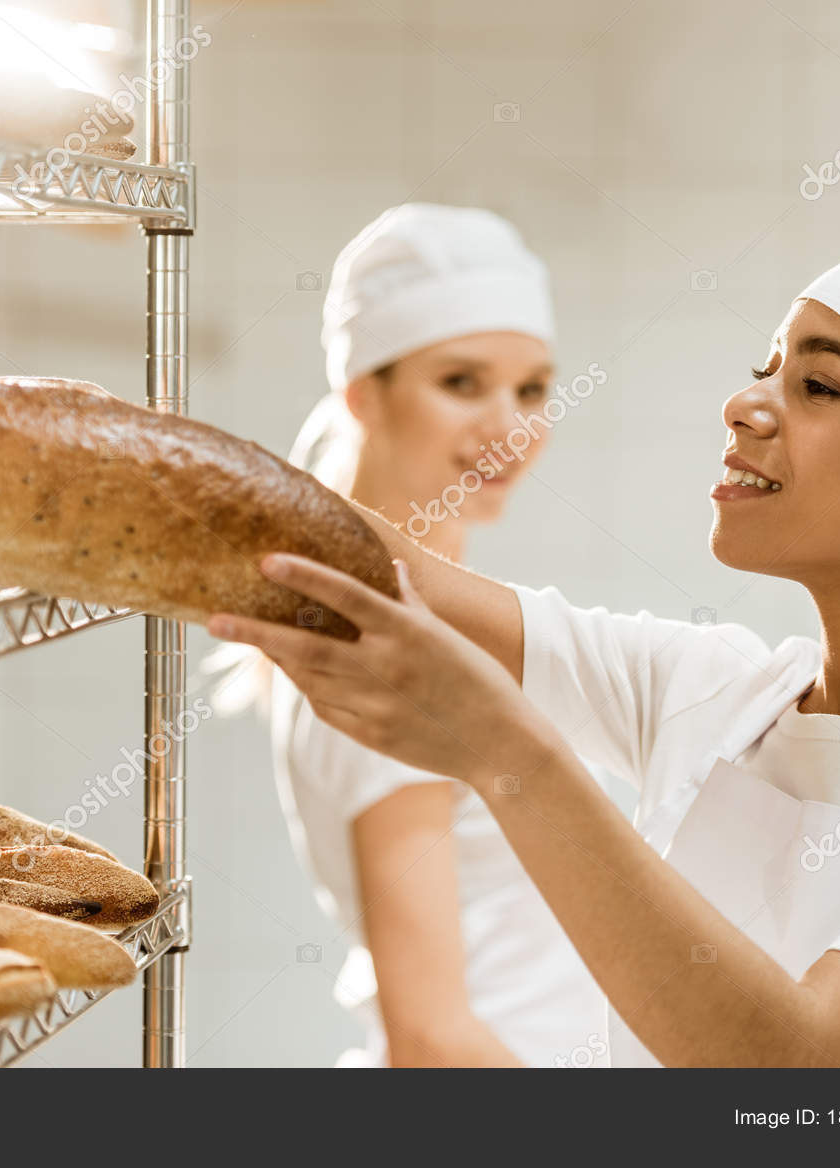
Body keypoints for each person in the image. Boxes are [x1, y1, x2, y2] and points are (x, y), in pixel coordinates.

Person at [209, 215, 840, 1067]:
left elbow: (802, 1070)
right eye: (763, 368)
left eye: (819, 387)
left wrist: (506, 753)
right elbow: (390, 569)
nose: (745, 404)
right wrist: (117, 454)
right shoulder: (715, 689)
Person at [215, 203, 611, 1067]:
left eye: (532, 388)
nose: (510, 427)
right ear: (364, 392)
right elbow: (431, 1037)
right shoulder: (376, 652)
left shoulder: (427, 620)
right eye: (462, 382)